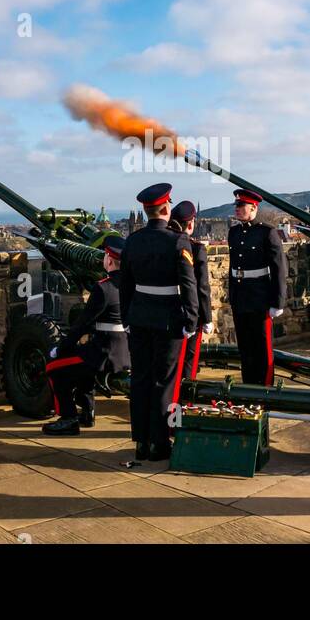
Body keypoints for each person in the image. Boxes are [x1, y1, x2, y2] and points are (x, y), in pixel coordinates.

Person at [116, 183, 200, 463]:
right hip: (169, 320)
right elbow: (189, 285)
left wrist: (127, 317)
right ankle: (160, 443)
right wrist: (191, 319)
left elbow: (125, 284)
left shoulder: (133, 241)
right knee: (164, 381)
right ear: (166, 209)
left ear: (146, 210)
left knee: (140, 379)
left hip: (139, 318)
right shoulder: (178, 241)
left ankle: (140, 442)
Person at [43, 235, 130, 436]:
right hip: (125, 350)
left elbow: (83, 323)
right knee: (83, 361)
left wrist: (61, 348)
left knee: (55, 368)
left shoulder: (103, 287)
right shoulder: (131, 284)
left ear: (108, 259)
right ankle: (87, 412)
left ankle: (68, 418)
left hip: (105, 353)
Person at [227, 189, 288, 385]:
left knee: (262, 348)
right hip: (241, 298)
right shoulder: (233, 232)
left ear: (253, 207)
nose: (237, 209)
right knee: (245, 349)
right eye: (236, 206)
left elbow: (279, 268)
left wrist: (277, 301)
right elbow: (233, 268)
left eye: (241, 206)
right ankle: (249, 389)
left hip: (260, 299)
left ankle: (264, 392)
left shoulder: (267, 233)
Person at [169, 200, 213, 380]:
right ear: (191, 223)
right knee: (188, 361)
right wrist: (207, 317)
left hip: (165, 312)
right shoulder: (196, 248)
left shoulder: (163, 244)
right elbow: (201, 286)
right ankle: (183, 403)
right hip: (190, 314)